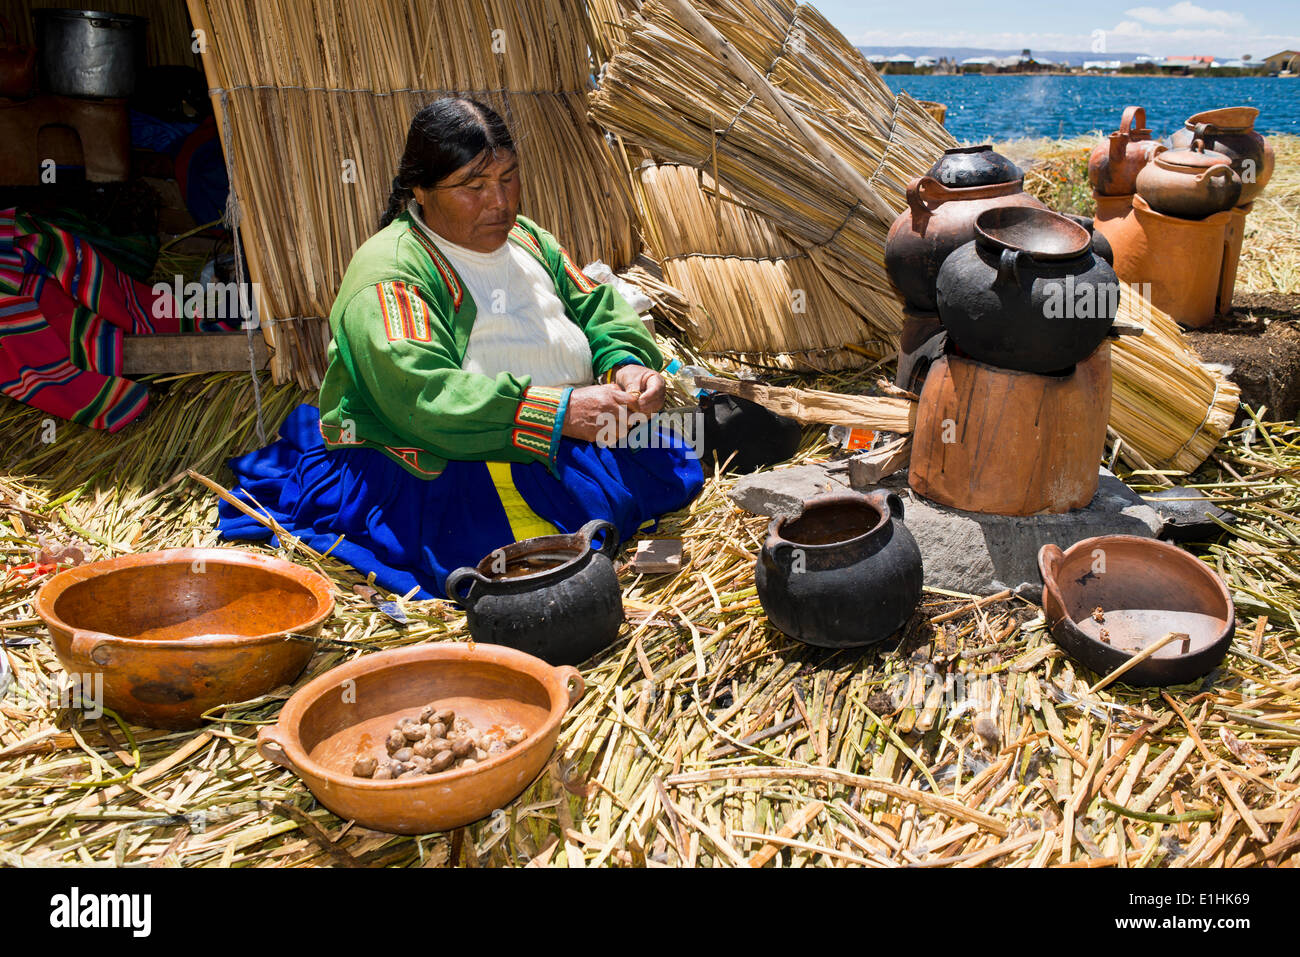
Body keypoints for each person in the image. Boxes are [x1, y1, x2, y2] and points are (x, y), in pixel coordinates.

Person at [217, 98, 703, 598]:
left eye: (508, 178)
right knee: (521, 564)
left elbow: (594, 303)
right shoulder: (390, 275)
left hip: (565, 427)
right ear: (421, 190)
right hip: (460, 451)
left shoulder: (527, 238)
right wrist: (558, 411)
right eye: (474, 187)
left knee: (670, 462)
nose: (500, 202)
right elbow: (424, 398)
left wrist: (624, 363)